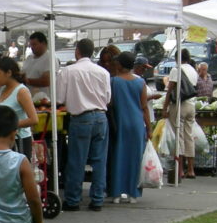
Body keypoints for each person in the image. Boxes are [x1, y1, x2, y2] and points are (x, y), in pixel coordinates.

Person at [56, 38, 111, 211]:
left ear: (77, 51)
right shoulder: (103, 72)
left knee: (76, 161)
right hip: (101, 117)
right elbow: (108, 98)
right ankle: (97, 199)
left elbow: (59, 98)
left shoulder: (68, 71)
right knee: (99, 161)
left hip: (81, 118)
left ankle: (73, 200)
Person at [109, 51, 151, 203]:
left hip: (120, 122)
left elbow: (111, 103)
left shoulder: (114, 82)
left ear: (119, 64)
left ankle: (117, 192)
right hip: (137, 123)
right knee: (135, 158)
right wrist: (149, 128)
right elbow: (144, 106)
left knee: (119, 156)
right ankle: (133, 193)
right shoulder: (140, 83)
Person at [162, 48, 199, 180]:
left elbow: (170, 89)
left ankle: (180, 169)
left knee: (179, 135)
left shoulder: (176, 69)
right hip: (191, 105)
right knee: (189, 135)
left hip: (179, 105)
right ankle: (191, 169)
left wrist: (165, 107)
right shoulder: (193, 70)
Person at [0, 57, 37, 159]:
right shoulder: (2, 89)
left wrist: (9, 125)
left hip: (19, 140)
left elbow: (34, 119)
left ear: (8, 73)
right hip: (4, 140)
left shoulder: (21, 91)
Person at [22, 31, 57, 101]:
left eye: (34, 44)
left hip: (44, 100)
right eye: (31, 45)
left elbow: (47, 81)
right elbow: (22, 73)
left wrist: (27, 80)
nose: (32, 47)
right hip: (29, 98)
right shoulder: (29, 58)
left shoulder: (49, 58)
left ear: (43, 43)